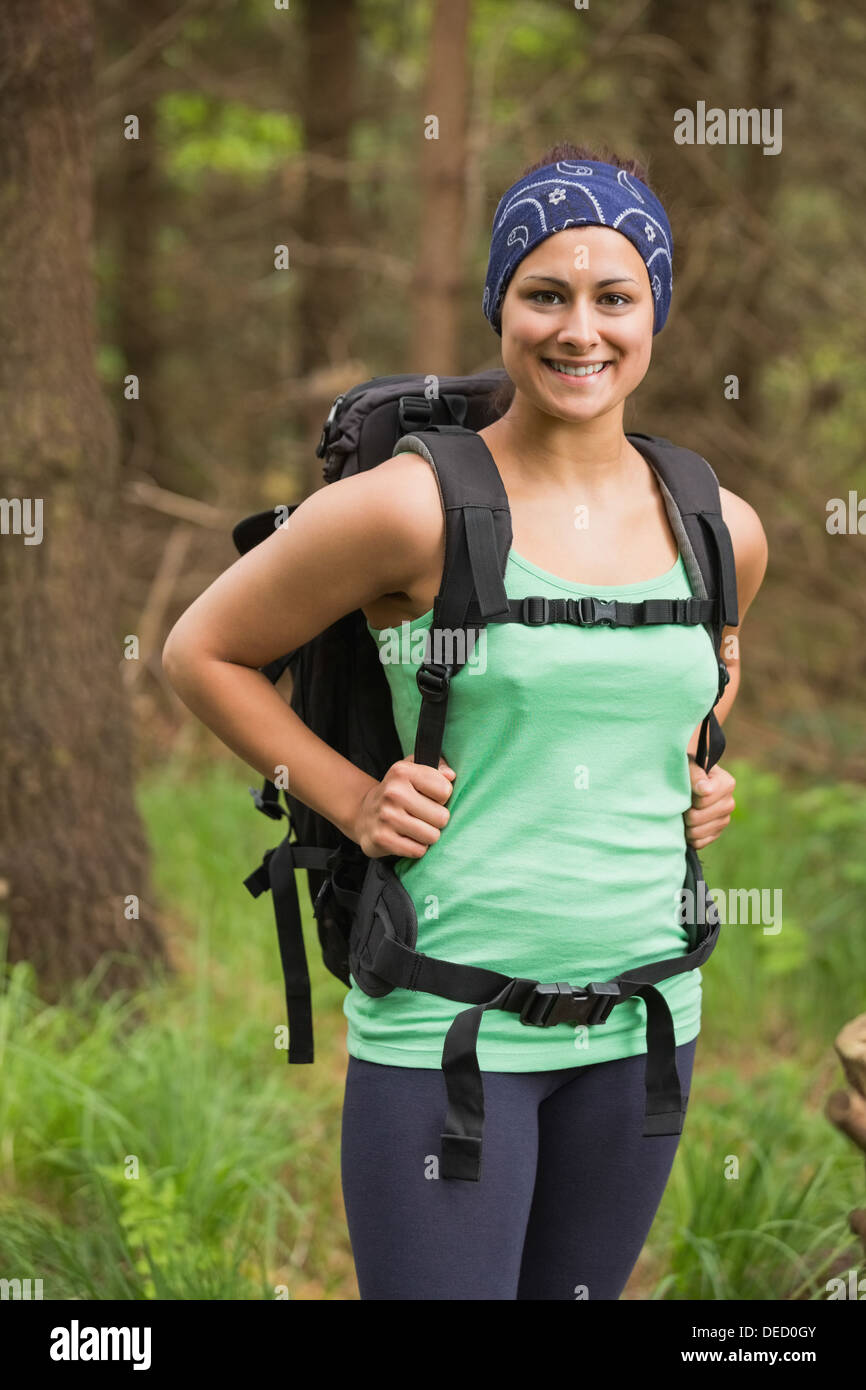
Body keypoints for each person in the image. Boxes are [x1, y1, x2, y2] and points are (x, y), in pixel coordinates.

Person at [162, 141, 768, 1301]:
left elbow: (707, 668)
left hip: (645, 1016)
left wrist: (695, 768)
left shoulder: (716, 523)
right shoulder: (408, 507)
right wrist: (348, 795)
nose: (576, 329)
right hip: (447, 1028)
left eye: (612, 295)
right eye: (543, 293)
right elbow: (203, 651)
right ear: (500, 305)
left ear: (654, 311)